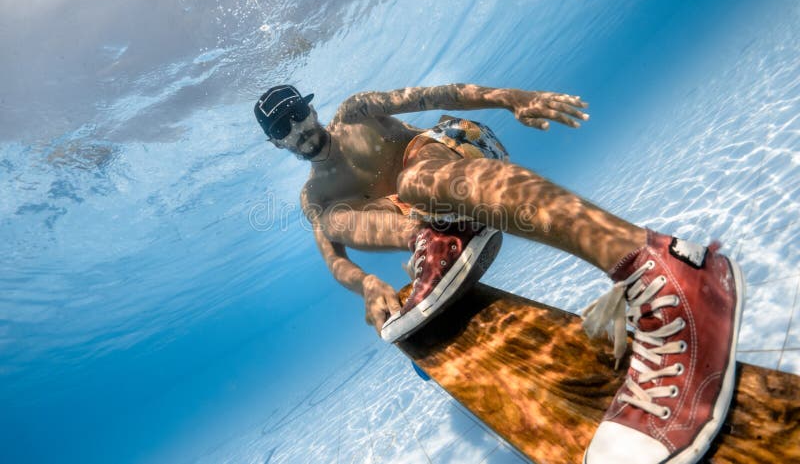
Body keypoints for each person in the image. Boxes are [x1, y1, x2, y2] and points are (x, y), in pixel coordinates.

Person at [254, 83, 743, 464]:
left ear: (310, 108)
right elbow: (334, 256)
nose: (298, 130)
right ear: (277, 144)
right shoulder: (313, 194)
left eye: (297, 114)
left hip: (455, 153)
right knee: (332, 215)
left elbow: (434, 95)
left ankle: (665, 271)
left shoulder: (356, 112)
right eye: (283, 129)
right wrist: (366, 284)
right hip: (425, 212)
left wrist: (511, 99)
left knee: (415, 180)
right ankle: (433, 239)